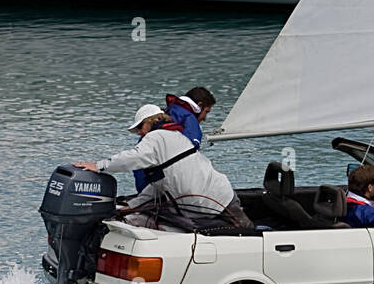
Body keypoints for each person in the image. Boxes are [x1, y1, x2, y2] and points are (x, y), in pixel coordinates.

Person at [76, 103, 252, 232]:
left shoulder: (158, 137)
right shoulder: (170, 137)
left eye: (139, 127)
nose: (139, 133)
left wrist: (99, 166)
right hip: (207, 203)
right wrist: (133, 205)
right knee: (241, 235)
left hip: (218, 199)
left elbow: (134, 157)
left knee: (248, 233)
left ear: (150, 121)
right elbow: (158, 187)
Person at [133, 86, 216, 194]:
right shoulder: (189, 120)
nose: (205, 118)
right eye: (206, 112)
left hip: (146, 185)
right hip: (167, 190)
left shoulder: (169, 111)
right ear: (199, 105)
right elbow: (188, 154)